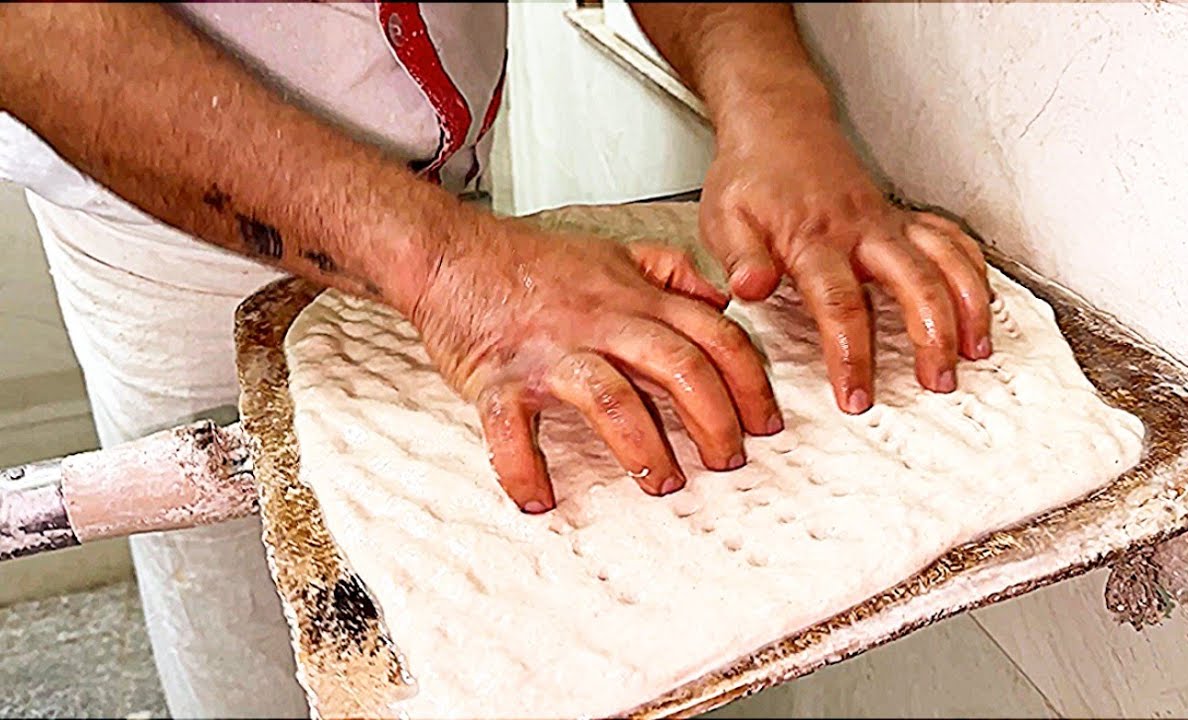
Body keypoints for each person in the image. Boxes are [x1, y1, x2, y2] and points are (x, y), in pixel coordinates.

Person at [0, 3, 992, 717]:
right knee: (268, 642)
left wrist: (771, 98)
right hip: (168, 212)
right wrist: (446, 272)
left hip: (451, 169)